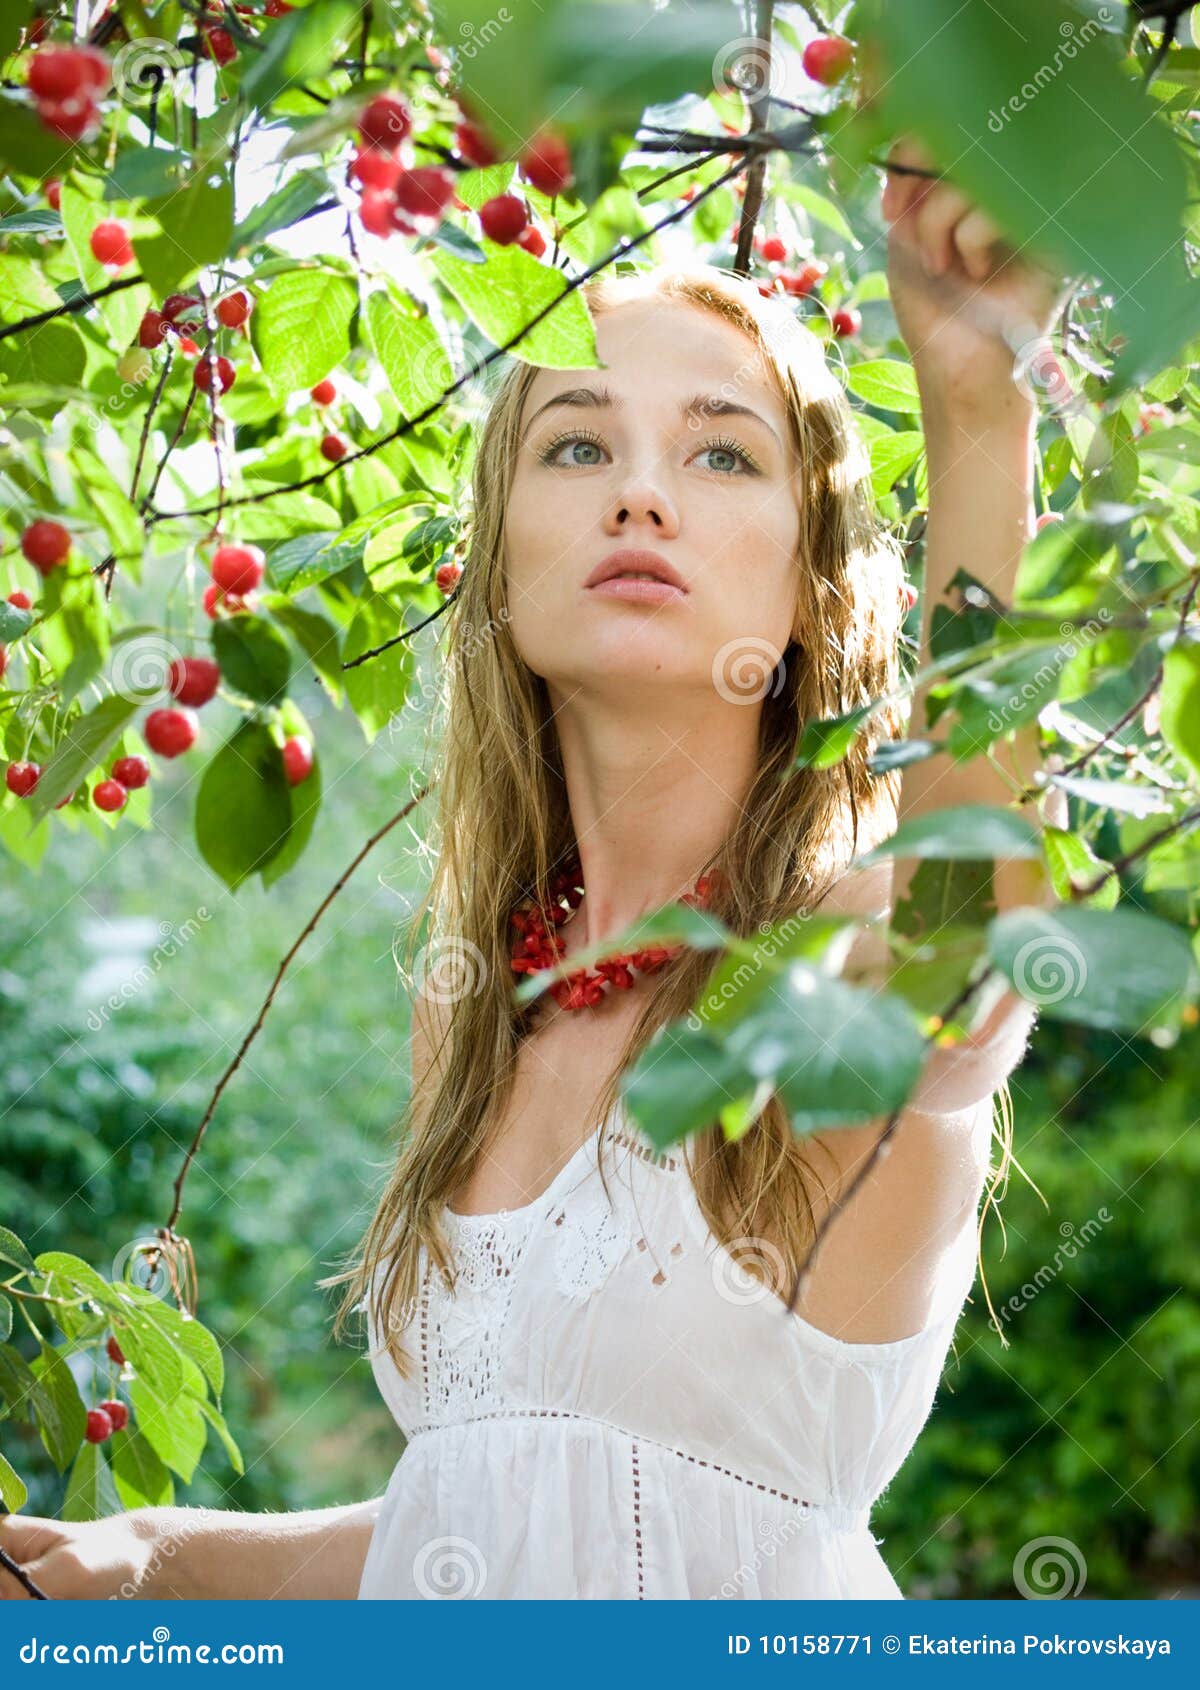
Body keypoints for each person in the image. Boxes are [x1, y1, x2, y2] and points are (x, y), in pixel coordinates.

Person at [0, 143, 1061, 1601]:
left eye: (720, 451)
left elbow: (979, 944)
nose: (639, 493)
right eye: (577, 444)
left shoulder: (834, 951)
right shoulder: (479, 1004)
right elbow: (500, 1505)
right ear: (500, 566)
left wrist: (977, 401)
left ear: (814, 593)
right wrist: (158, 1552)